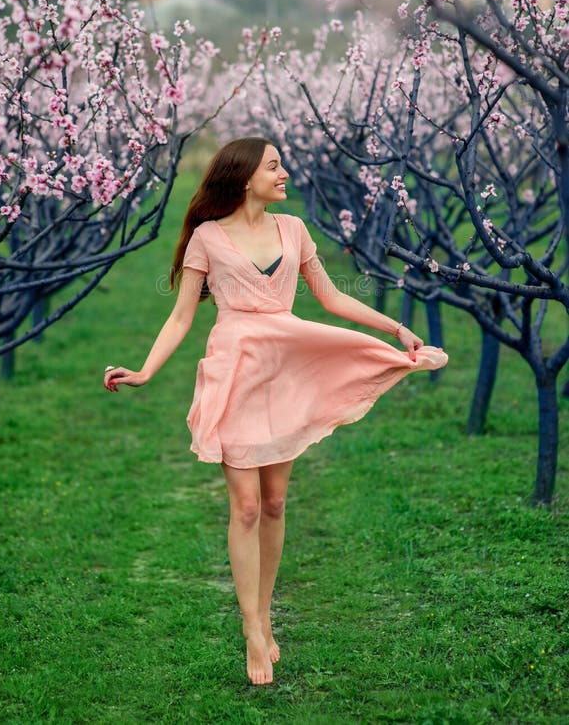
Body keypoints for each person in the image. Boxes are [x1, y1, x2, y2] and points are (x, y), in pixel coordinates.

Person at [103, 137, 447, 686]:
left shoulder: (294, 230)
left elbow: (332, 299)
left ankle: (265, 614)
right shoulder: (207, 239)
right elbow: (181, 317)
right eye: (274, 166)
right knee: (243, 507)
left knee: (275, 501)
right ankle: (253, 631)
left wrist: (395, 327)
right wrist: (145, 371)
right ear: (244, 177)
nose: (285, 173)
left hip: (285, 372)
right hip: (235, 372)